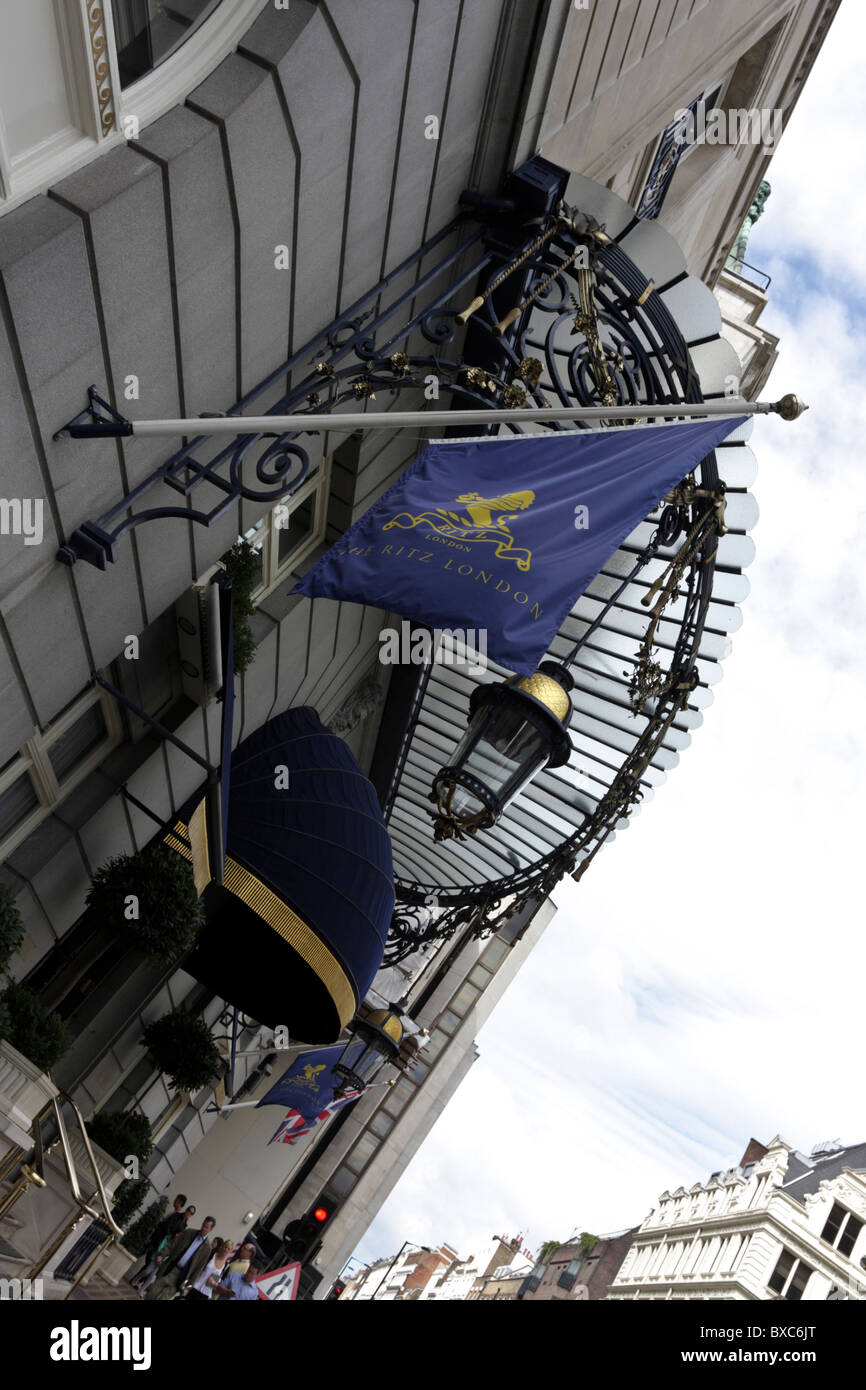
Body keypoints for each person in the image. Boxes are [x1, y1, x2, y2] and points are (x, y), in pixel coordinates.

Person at [146, 1217, 216, 1300]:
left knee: (164, 1298)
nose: (203, 1228)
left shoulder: (207, 1248)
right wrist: (162, 1254)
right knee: (152, 1293)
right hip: (170, 1268)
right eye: (203, 1225)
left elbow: (199, 1268)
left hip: (181, 1277)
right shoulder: (189, 1232)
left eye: (206, 1227)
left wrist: (189, 1286)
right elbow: (173, 1244)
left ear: (211, 1229)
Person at [131, 1193, 189, 1295]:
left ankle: (139, 1284)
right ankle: (137, 1281)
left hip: (160, 1243)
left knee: (150, 1266)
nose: (174, 1201)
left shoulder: (178, 1218)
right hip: (159, 1241)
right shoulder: (175, 1215)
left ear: (180, 1202)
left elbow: (168, 1231)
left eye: (176, 1199)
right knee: (149, 1264)